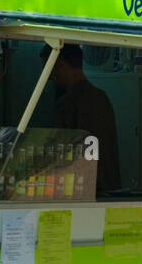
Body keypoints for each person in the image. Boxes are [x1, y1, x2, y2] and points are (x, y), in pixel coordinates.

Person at [41, 43, 121, 194]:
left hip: (81, 188)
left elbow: (61, 153)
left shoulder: (68, 104)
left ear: (60, 65)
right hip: (108, 187)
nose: (49, 77)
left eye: (48, 70)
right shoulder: (101, 97)